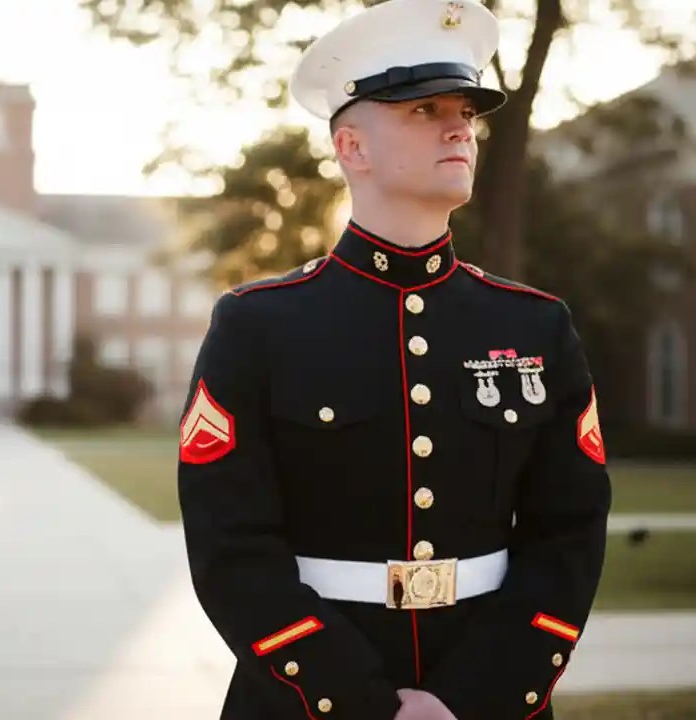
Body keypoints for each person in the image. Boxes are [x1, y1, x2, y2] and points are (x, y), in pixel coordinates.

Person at [175, 0, 612, 717]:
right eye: (422, 109)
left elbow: (568, 537)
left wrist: (470, 698)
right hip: (305, 697)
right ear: (352, 147)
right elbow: (232, 551)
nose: (457, 127)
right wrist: (358, 702)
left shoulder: (534, 326)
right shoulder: (259, 326)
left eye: (465, 111)